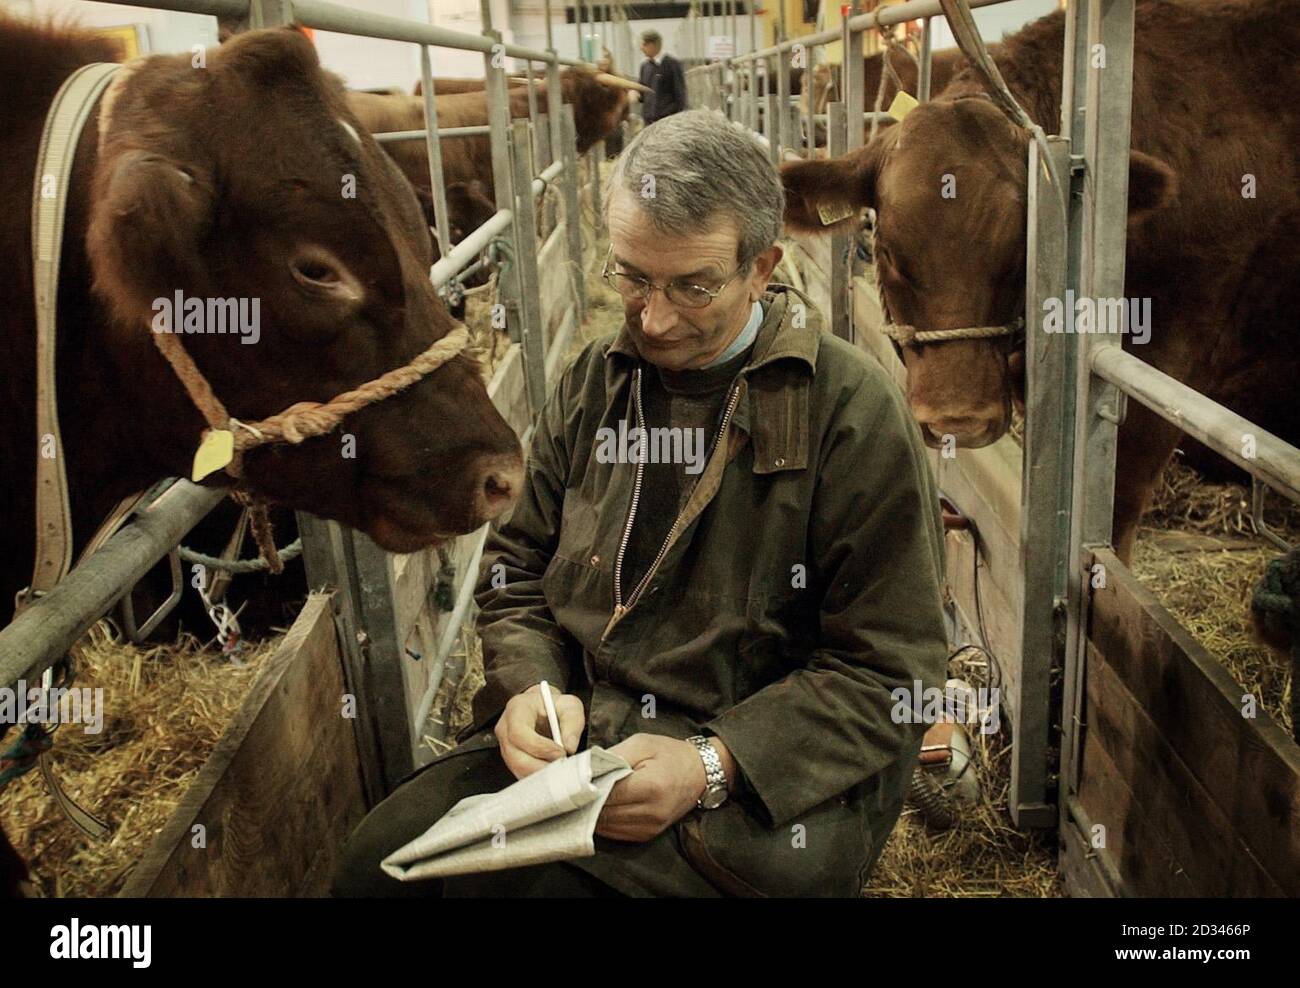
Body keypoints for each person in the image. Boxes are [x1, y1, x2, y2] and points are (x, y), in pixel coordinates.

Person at [331, 109, 949, 898]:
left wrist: (710, 765)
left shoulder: (848, 411)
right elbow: (515, 569)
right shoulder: (596, 381)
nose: (654, 318)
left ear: (762, 268)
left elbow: (890, 672)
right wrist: (529, 691)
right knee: (370, 866)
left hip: (765, 783)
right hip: (585, 743)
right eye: (630, 276)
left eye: (693, 286)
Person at [637, 29, 687, 124]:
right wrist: (635, 94)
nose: (641, 48)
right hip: (649, 122)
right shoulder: (645, 66)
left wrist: (679, 119)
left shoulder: (672, 64)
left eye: (643, 45)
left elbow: (680, 93)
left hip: (667, 121)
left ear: (651, 45)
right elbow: (642, 94)